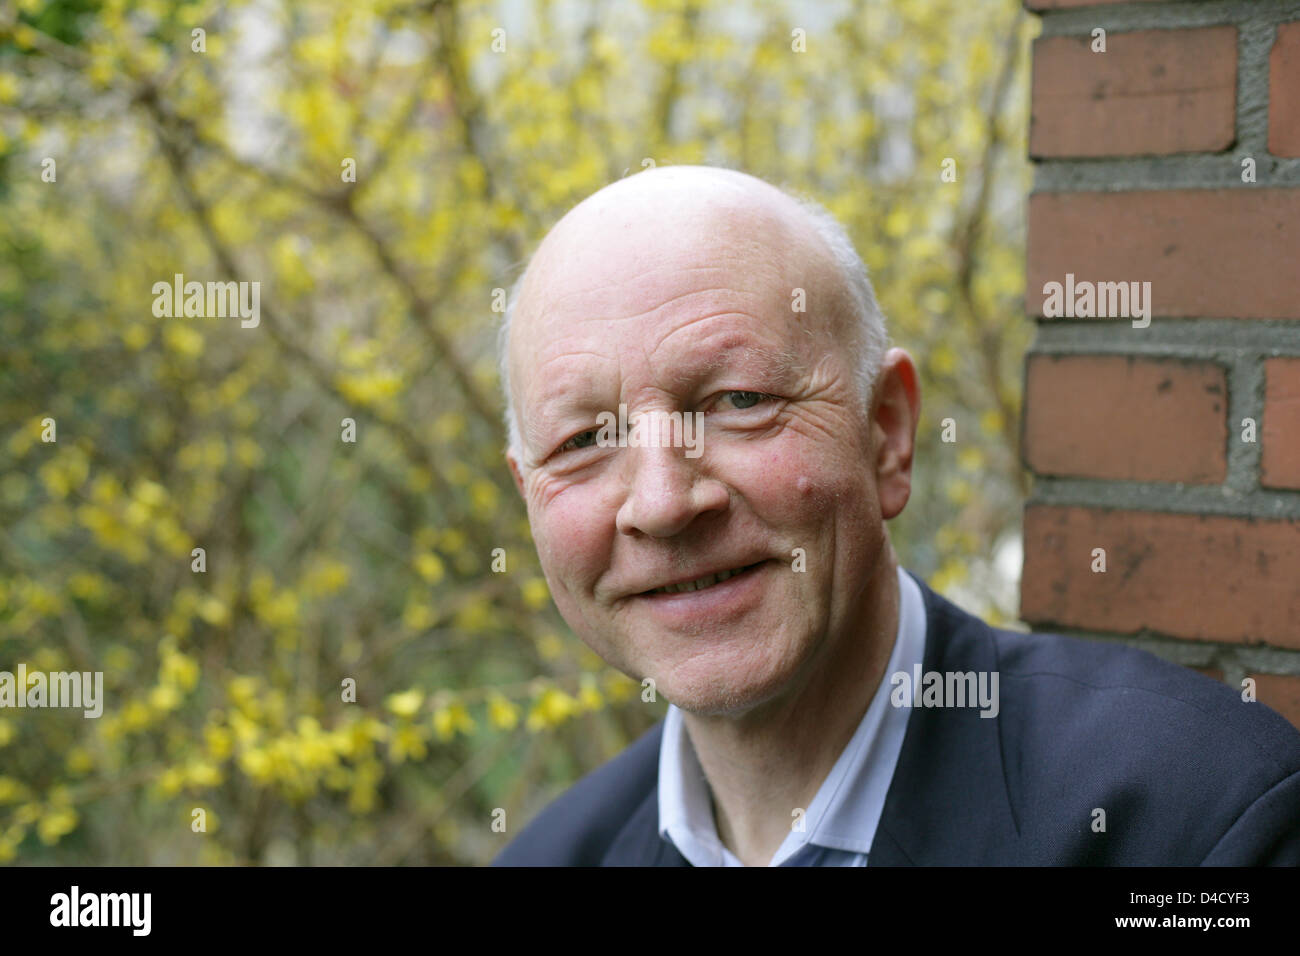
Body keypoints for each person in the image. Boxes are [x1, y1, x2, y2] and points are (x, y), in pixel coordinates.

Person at [491, 165, 1300, 866]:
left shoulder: (1196, 818)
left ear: (886, 433)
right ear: (528, 492)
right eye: (588, 438)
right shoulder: (545, 858)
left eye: (739, 401)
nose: (664, 504)